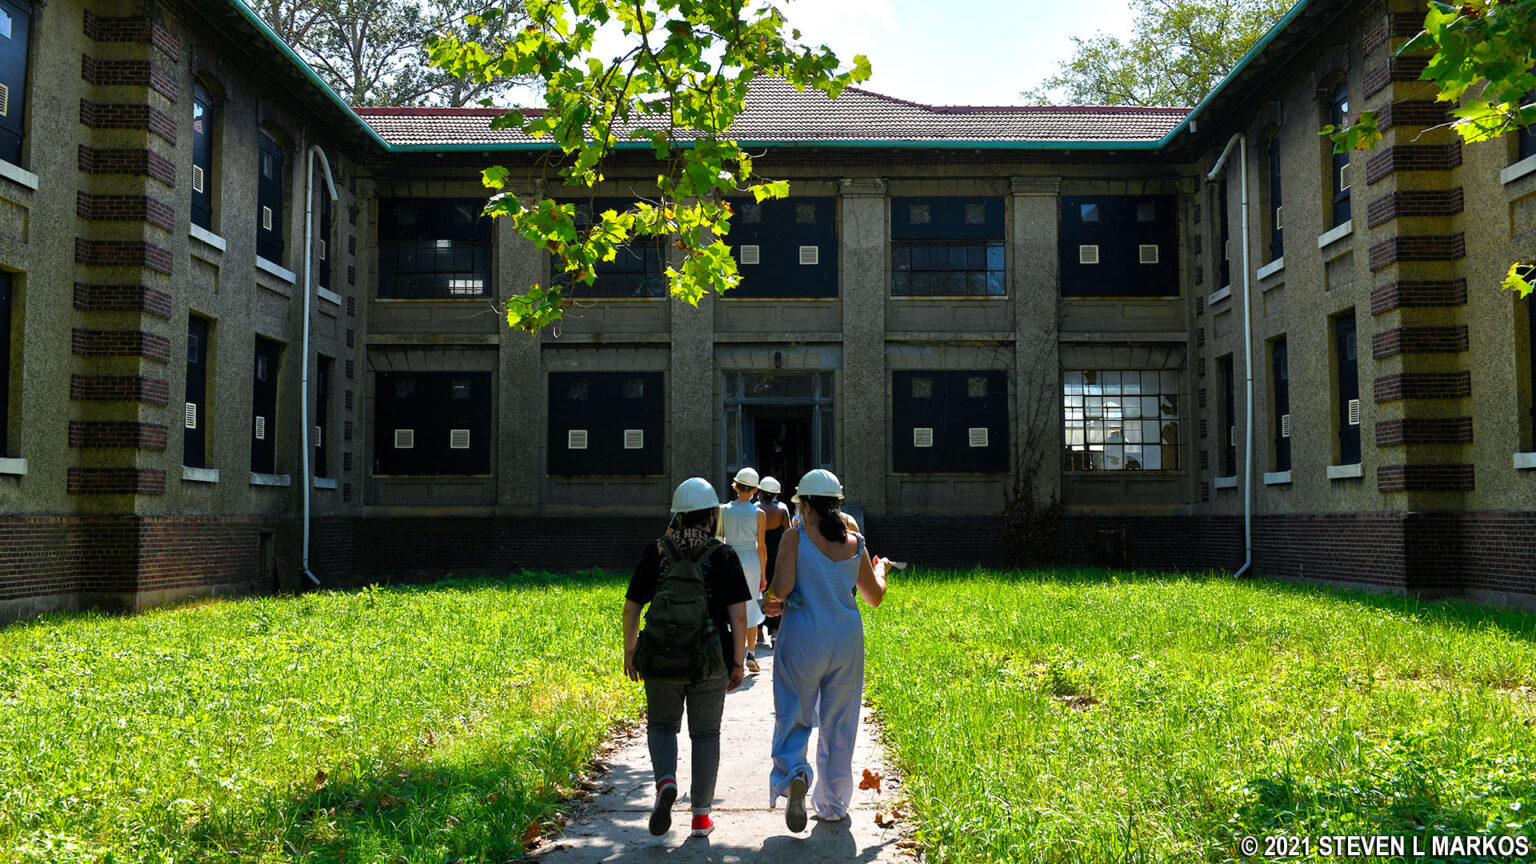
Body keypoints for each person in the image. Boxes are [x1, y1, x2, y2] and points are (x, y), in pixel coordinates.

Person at [623, 478, 750, 839]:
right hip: (710, 658)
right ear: (712, 514)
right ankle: (700, 817)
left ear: (677, 515)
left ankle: (666, 780)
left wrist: (631, 652)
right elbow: (739, 615)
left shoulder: (657, 551)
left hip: (661, 656)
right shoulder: (722, 554)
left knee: (662, 725)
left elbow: (632, 606)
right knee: (705, 733)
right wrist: (738, 662)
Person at [763, 469, 888, 832]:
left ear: (807, 506)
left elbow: (782, 590)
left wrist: (771, 598)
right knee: (840, 722)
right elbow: (873, 597)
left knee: (793, 713)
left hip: (803, 639)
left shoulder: (795, 537)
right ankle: (833, 804)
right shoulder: (856, 542)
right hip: (846, 641)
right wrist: (879, 571)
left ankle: (795, 776)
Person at [720, 467, 768, 673]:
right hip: (751, 559)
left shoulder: (722, 510)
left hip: (729, 557)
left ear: (736, 486)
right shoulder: (759, 513)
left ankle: (733, 655)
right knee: (750, 606)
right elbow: (762, 546)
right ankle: (750, 654)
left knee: (731, 605)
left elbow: (720, 538)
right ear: (755, 489)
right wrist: (764, 574)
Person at [757, 476, 791, 644]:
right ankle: (775, 630)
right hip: (777, 555)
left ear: (761, 492)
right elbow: (789, 534)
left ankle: (758, 630)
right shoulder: (783, 509)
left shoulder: (756, 509)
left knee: (759, 590)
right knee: (776, 590)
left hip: (760, 555)